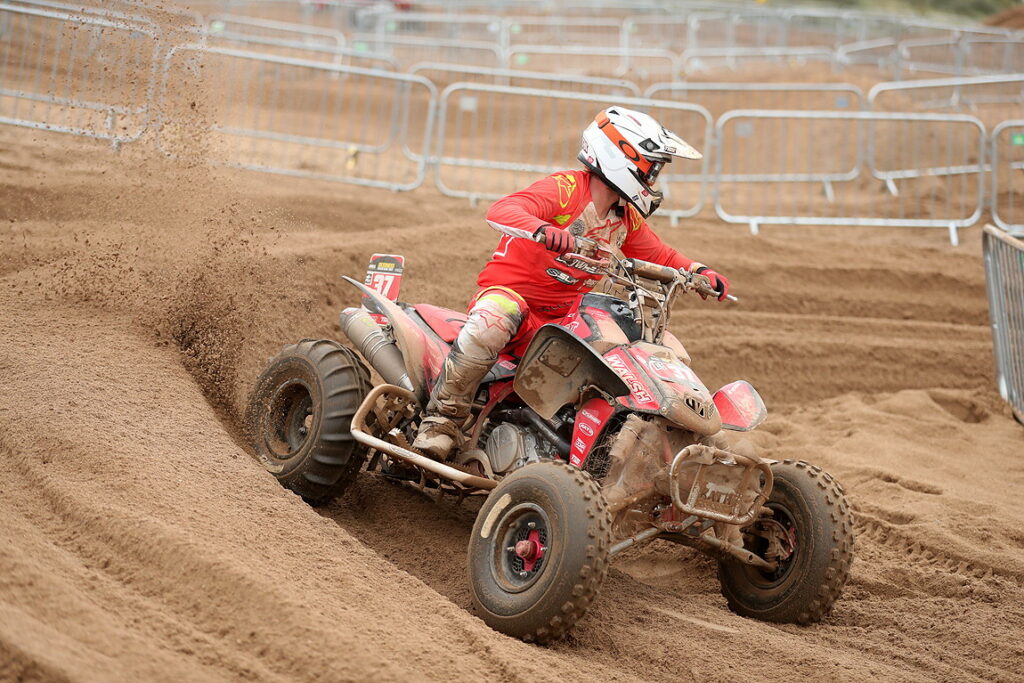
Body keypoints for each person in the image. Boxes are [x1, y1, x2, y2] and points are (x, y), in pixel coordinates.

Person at [412, 106, 731, 458]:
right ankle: (441, 421)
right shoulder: (566, 189)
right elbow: (503, 209)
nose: (653, 180)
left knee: (627, 350)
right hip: (512, 298)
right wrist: (542, 229)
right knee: (495, 318)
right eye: (651, 169)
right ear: (622, 154)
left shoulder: (625, 217)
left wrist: (699, 271)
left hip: (564, 319)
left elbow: (661, 254)